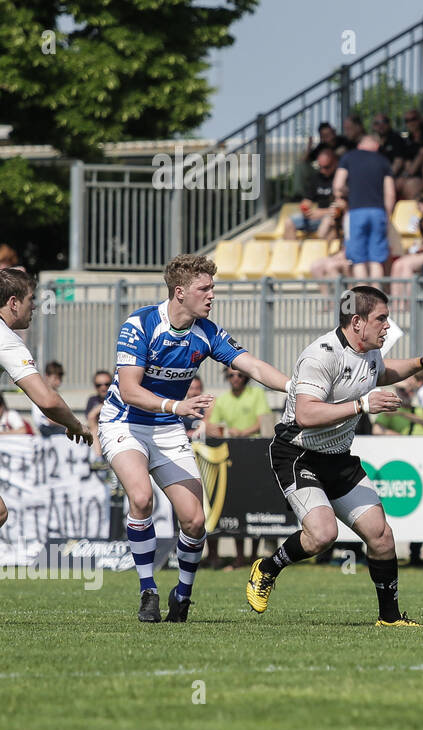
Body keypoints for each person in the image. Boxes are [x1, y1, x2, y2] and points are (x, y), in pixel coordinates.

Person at [245, 287, 423, 626]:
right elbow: (305, 414)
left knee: (381, 535)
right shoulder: (321, 355)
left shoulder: (370, 351)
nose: (387, 326)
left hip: (337, 457)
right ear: (357, 322)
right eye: (381, 319)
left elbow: (383, 373)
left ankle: (389, 618)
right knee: (322, 535)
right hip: (299, 454)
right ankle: (268, 568)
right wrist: (362, 405)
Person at [100, 254, 289, 623]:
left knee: (195, 522)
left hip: (168, 428)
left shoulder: (207, 332)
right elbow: (130, 390)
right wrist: (177, 405)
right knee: (141, 498)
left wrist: (297, 387)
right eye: (205, 288)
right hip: (126, 423)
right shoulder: (140, 324)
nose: (212, 295)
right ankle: (148, 591)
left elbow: (252, 365)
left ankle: (183, 593)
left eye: (212, 288)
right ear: (181, 292)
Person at [0, 270, 92, 527]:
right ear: (13, 303)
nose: (36, 306)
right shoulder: (6, 340)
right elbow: (47, 400)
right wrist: (75, 425)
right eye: (31, 299)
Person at [335, 134, 396, 279]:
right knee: (376, 261)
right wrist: (387, 214)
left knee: (358, 261)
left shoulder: (348, 158)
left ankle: (361, 298)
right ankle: (376, 299)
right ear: (375, 145)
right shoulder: (382, 161)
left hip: (356, 212)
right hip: (378, 212)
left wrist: (349, 192)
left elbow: (338, 185)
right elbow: (390, 193)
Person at [202, 365, 273, 439]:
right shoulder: (222, 400)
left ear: (245, 376)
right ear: (227, 377)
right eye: (231, 375)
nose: (235, 378)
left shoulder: (257, 393)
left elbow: (263, 423)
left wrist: (242, 433)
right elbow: (213, 425)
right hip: (231, 444)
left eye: (240, 375)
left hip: (255, 442)